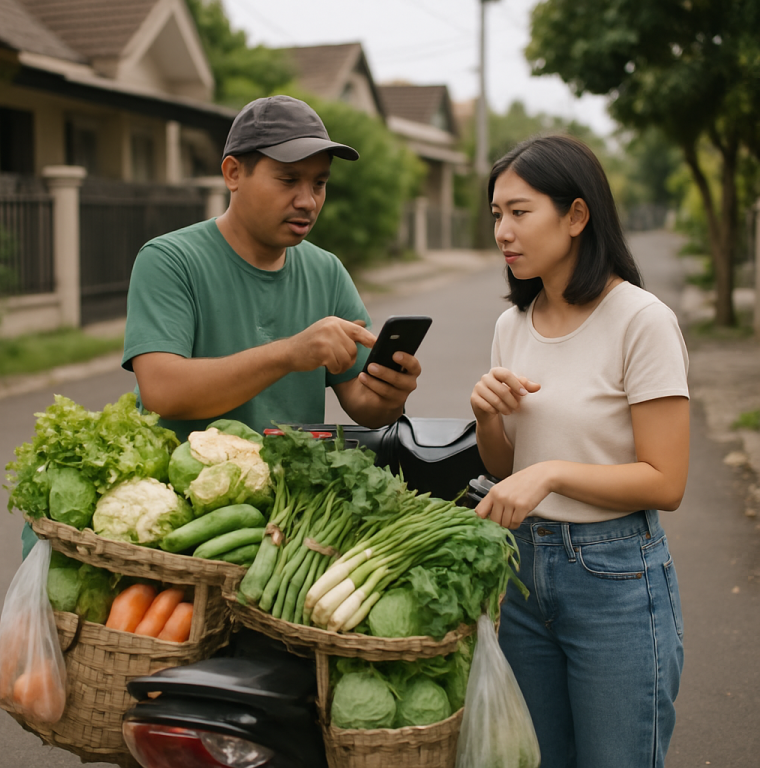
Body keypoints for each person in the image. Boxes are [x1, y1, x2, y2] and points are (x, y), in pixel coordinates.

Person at [470, 135, 689, 768]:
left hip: (615, 578)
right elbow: (503, 470)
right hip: (524, 572)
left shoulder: (640, 320)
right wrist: (487, 417)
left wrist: (552, 473)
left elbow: (664, 481)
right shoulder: (511, 326)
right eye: (495, 215)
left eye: (519, 211)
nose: (503, 232)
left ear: (575, 215)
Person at [122, 95, 421, 443]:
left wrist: (392, 394)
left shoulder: (327, 271)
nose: (307, 201)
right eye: (288, 179)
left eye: (319, 183)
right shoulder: (170, 259)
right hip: (188, 491)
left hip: (293, 496)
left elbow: (364, 405)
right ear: (233, 173)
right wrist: (291, 353)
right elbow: (163, 392)